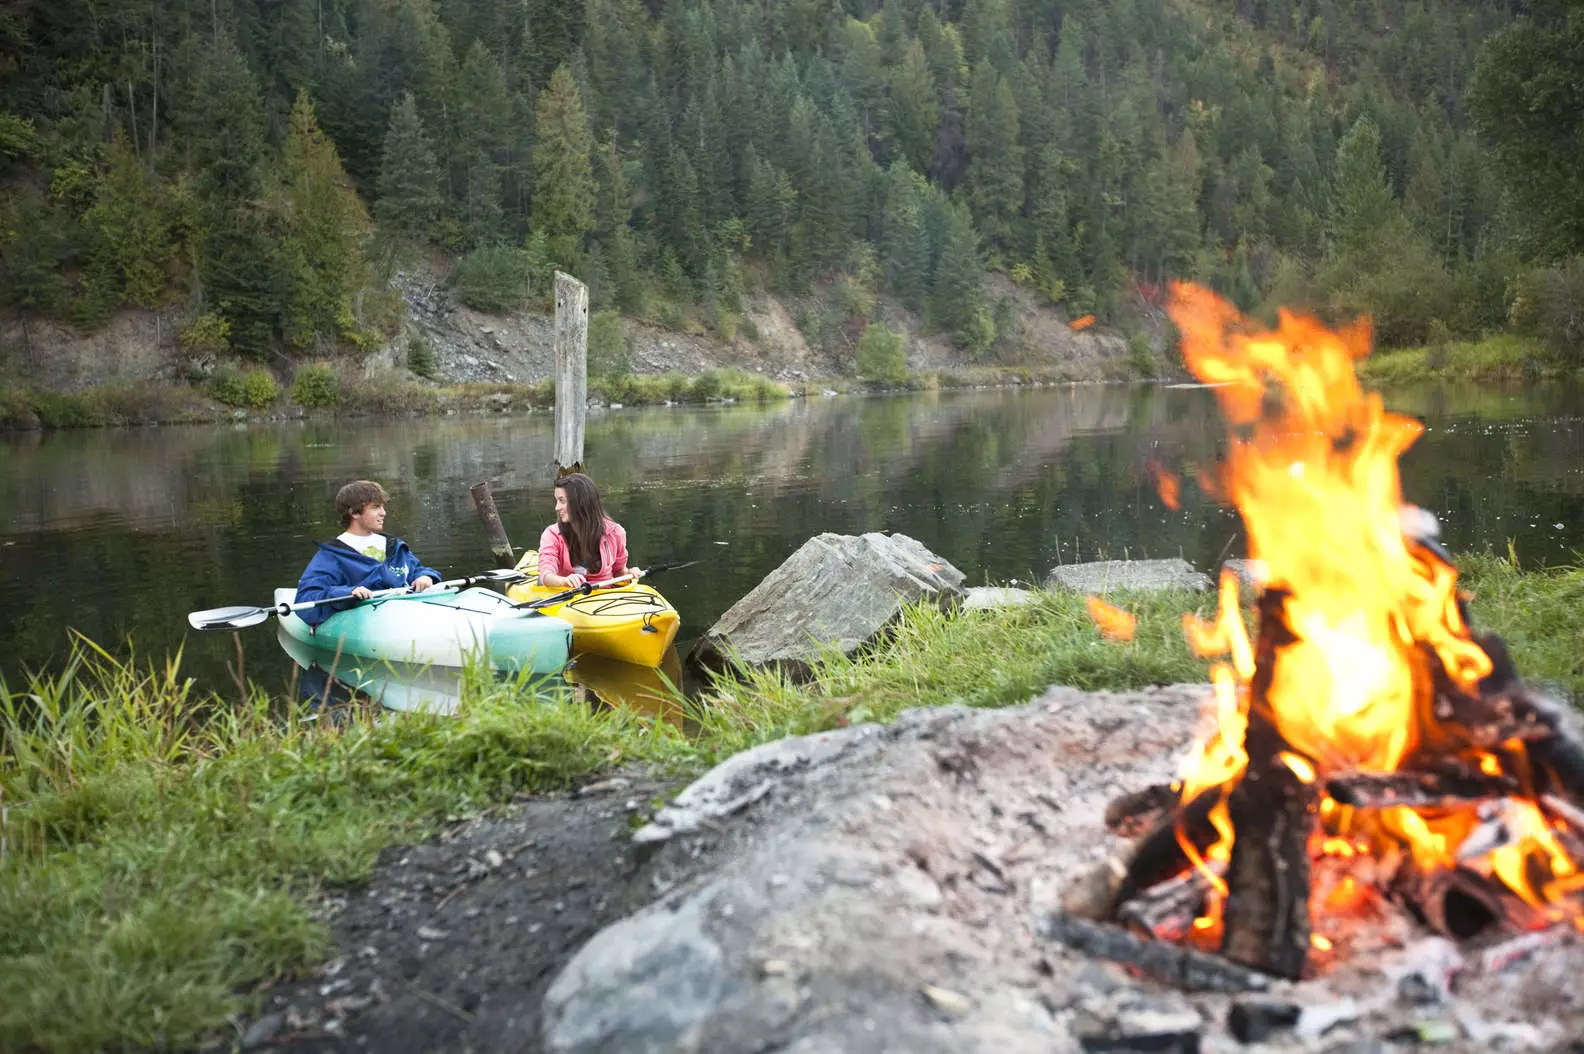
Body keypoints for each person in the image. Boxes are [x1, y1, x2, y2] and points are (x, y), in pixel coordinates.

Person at [294, 480, 441, 627]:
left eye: (383, 507)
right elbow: (306, 599)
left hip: (409, 613)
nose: (383, 513)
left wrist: (425, 576)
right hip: (371, 620)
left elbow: (417, 569)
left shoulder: (394, 546)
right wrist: (348, 593)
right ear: (354, 513)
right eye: (376, 507)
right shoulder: (331, 555)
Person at [538, 472, 641, 589]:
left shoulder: (615, 532)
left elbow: (618, 571)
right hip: (568, 598)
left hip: (604, 597)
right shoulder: (552, 535)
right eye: (556, 501)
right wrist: (564, 581)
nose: (557, 507)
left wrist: (629, 574)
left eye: (562, 501)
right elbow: (546, 575)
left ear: (580, 502)